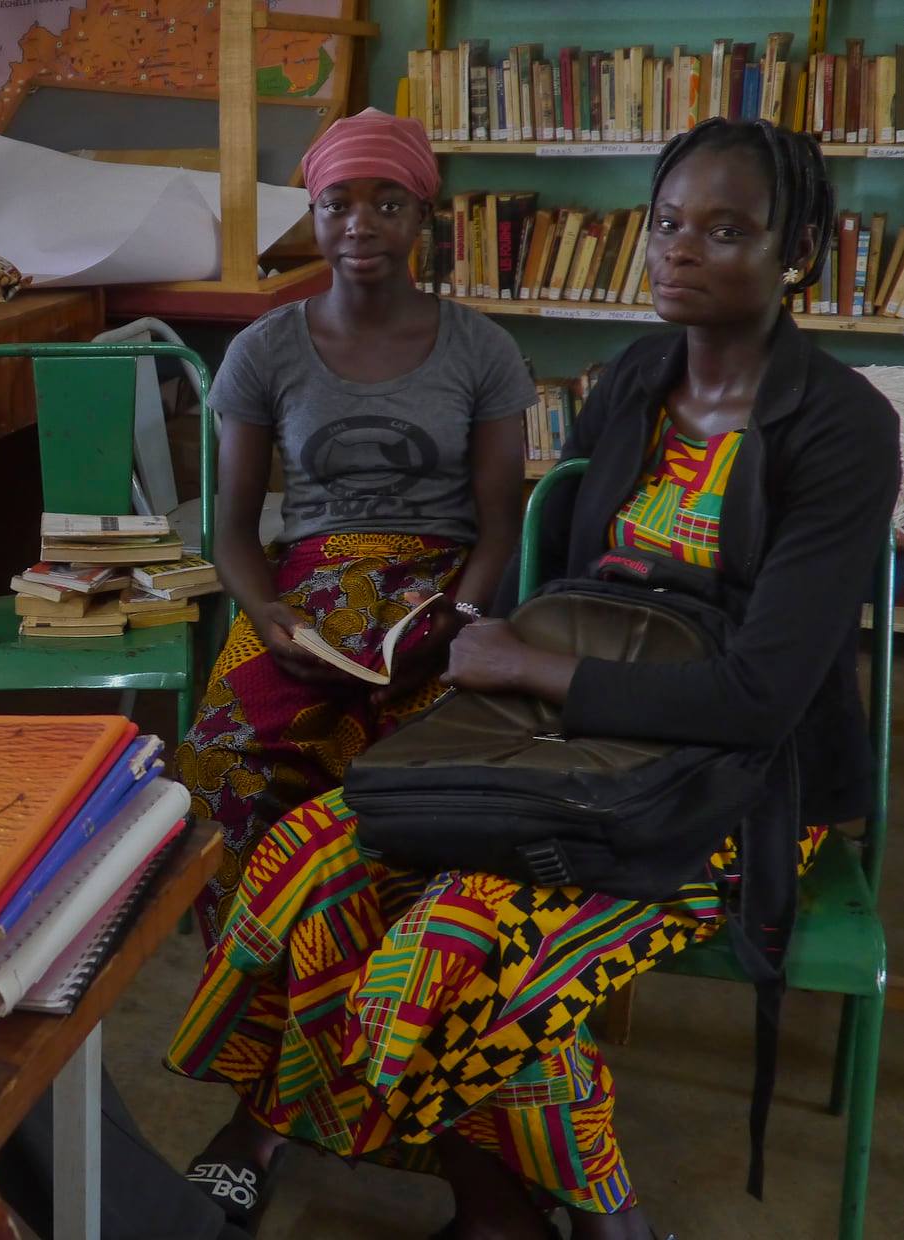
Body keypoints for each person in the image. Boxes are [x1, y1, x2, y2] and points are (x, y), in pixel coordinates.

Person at [168, 118, 897, 1240]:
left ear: (798, 248)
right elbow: (568, 587)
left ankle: (601, 1218)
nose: (677, 250)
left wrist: (528, 665)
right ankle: (480, 1193)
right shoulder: (636, 380)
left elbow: (763, 696)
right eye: (665, 224)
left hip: (731, 783)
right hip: (575, 749)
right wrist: (510, 681)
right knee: (306, 861)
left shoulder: (842, 427)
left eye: (726, 229)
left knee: (445, 950)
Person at [178, 108, 532, 1221]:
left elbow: (500, 522)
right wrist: (272, 613)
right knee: (227, 771)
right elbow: (234, 527)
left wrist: (456, 617)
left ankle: (392, 1073)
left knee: (409, 806)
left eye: (389, 201)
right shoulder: (265, 348)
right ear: (314, 214)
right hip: (307, 596)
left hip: (442, 597)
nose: (362, 224)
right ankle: (261, 1097)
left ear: (425, 215)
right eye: (339, 202)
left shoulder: (482, 347)